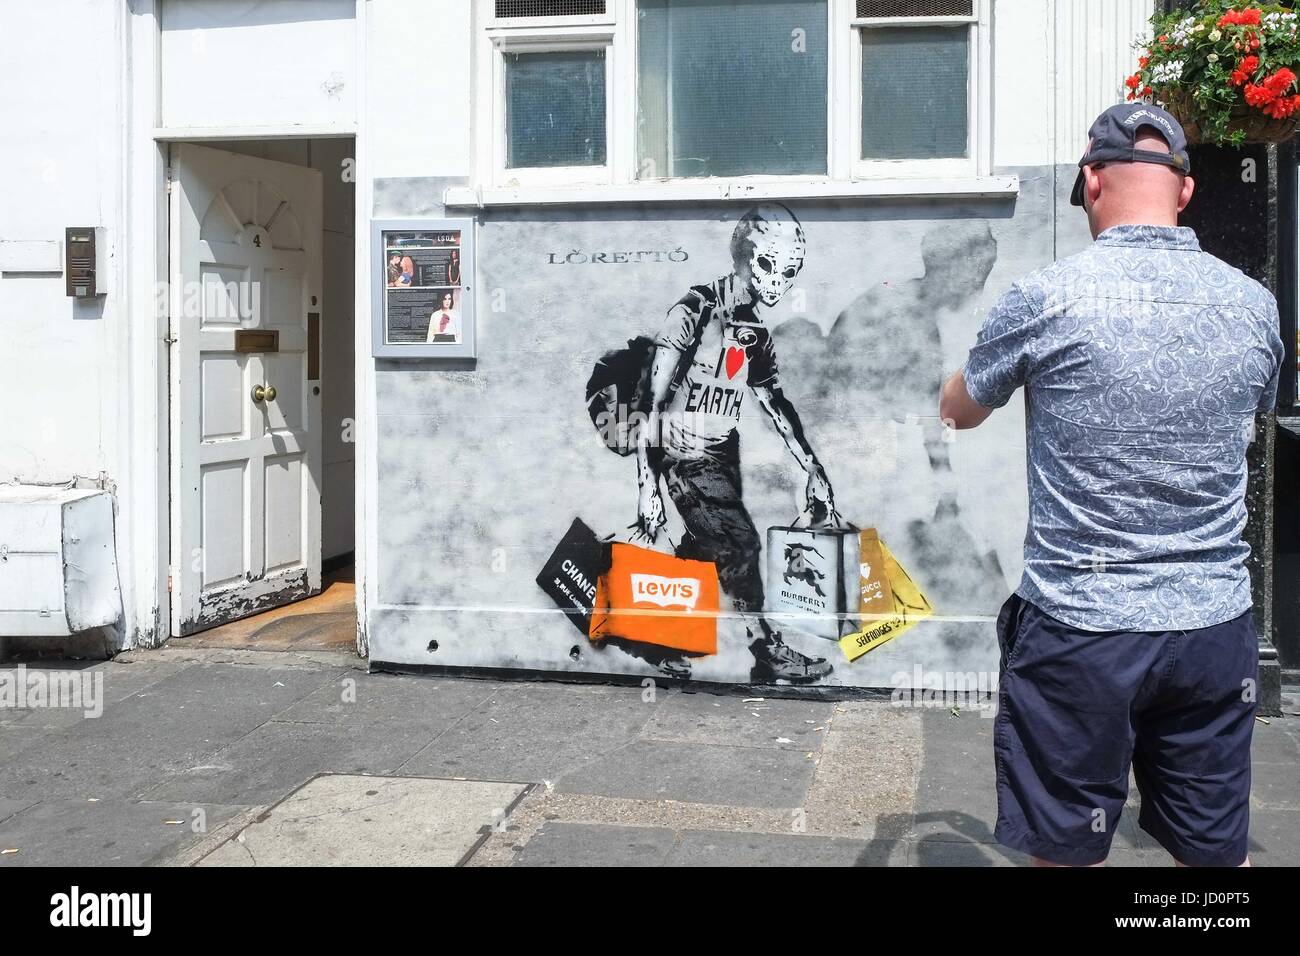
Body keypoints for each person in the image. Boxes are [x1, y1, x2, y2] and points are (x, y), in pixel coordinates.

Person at [940, 103, 1283, 868]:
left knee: (1064, 851)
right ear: (1185, 191)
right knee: (1217, 854)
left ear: (1092, 180)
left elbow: (959, 412)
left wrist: (964, 375)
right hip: (1213, 627)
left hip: (1083, 628)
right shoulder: (1256, 307)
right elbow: (1249, 416)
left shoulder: (1045, 298)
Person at [634, 204, 836, 684]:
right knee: (740, 544)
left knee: (704, 549)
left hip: (722, 455)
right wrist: (647, 484)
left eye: (791, 272)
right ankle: (768, 651)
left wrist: (813, 468)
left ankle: (661, 640)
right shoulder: (695, 310)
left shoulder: (755, 331)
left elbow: (773, 401)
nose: (780, 283)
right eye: (771, 266)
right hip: (683, 455)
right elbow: (649, 400)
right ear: (746, 258)